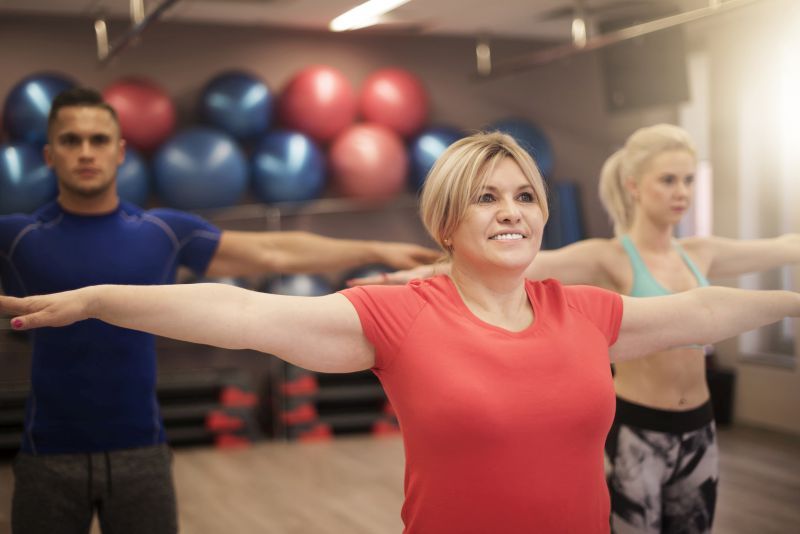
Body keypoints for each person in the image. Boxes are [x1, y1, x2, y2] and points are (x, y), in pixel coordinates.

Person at [2, 131, 799, 534]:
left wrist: (791, 302)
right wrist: (103, 296)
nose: (512, 211)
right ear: (446, 222)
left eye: (523, 195)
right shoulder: (399, 317)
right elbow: (244, 313)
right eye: (487, 198)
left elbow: (701, 312)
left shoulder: (581, 310)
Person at [0, 87, 439, 534]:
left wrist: (377, 247)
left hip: (142, 454)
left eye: (99, 140)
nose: (86, 152)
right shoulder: (17, 237)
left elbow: (274, 251)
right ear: (50, 155)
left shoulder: (161, 232)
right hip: (46, 456)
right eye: (71, 141)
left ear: (120, 152)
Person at [353, 124, 800, 533]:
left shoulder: (700, 251)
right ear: (634, 186)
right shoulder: (608, 258)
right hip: (638, 424)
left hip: (699, 422)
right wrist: (410, 279)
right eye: (668, 179)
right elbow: (513, 257)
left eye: (688, 180)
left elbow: (764, 262)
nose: (680, 191)